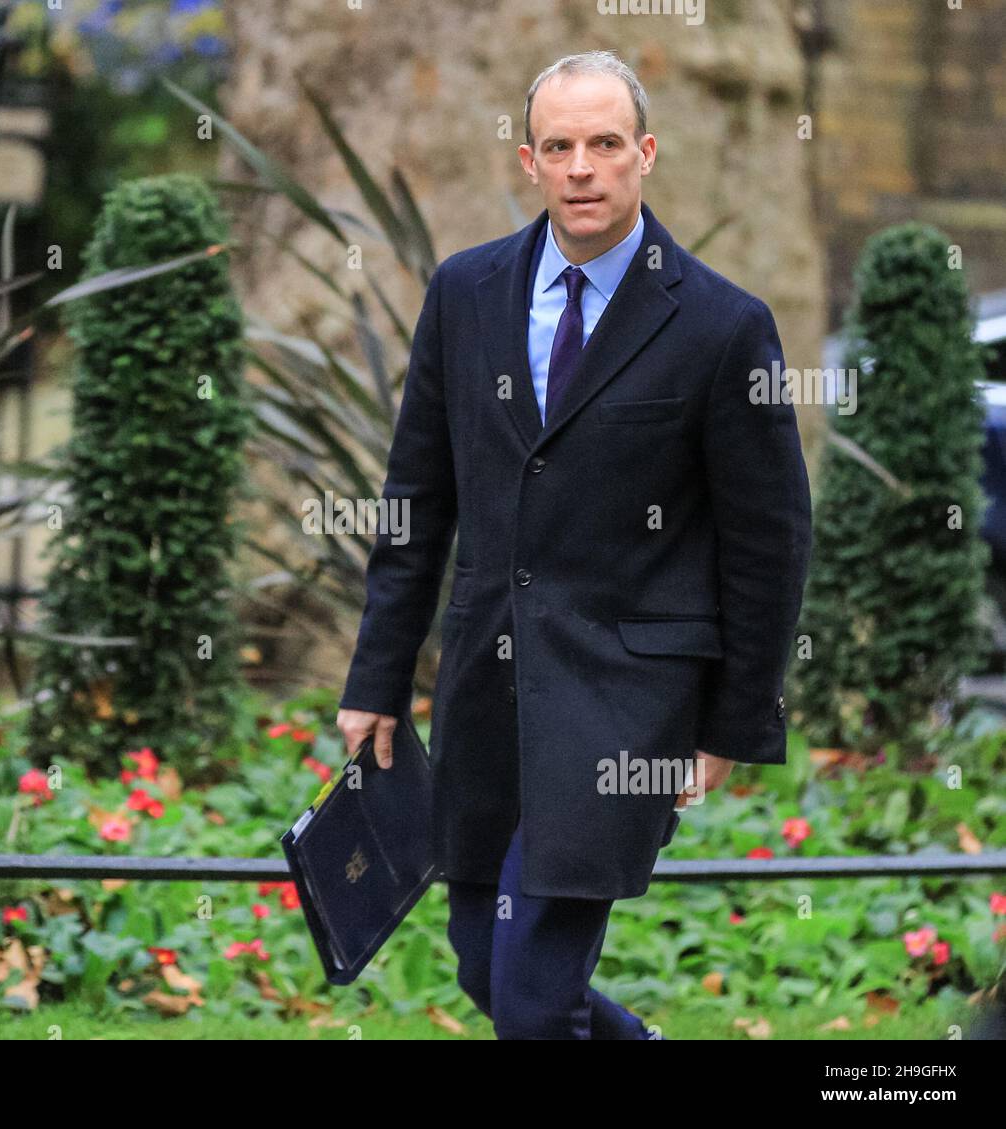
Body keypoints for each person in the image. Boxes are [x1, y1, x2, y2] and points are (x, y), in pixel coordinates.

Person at [335, 50, 813, 1039]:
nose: (582, 166)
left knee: (532, 996)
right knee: (484, 968)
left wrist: (731, 722)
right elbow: (413, 499)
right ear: (529, 161)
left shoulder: (723, 327)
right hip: (484, 691)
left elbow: (769, 542)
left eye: (604, 144)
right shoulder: (464, 295)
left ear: (644, 154)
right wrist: (376, 675)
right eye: (559, 146)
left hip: (623, 709)